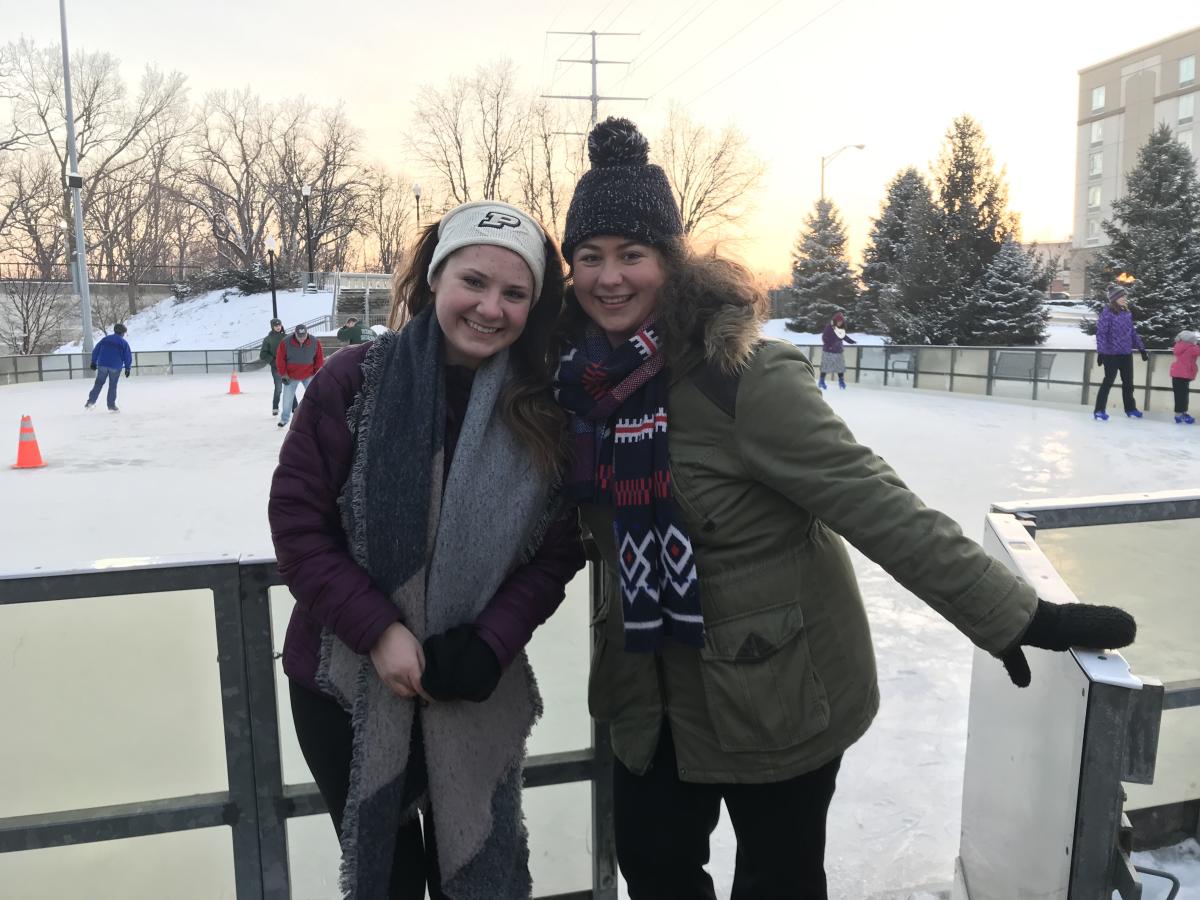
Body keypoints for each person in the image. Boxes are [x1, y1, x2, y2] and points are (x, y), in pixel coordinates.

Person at [553, 117, 1137, 900]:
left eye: (633, 255)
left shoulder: (742, 377)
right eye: (590, 257)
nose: (610, 277)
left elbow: (875, 503)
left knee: (780, 882)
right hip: (647, 698)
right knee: (654, 867)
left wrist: (1016, 614)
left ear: (673, 261)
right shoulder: (575, 388)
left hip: (776, 692)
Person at [268, 199, 585, 900]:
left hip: (468, 682)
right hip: (344, 687)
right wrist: (378, 631)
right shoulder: (352, 381)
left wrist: (488, 644)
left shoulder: (542, 410)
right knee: (394, 878)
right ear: (436, 279)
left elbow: (556, 552)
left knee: (468, 869)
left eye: (514, 293)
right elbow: (298, 524)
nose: (490, 307)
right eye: (473, 281)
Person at [1093, 283, 1148, 421]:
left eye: (1125, 296)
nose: (1124, 298)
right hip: (1111, 354)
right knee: (1108, 381)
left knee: (1128, 383)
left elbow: (1132, 333)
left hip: (1125, 353)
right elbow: (1101, 334)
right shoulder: (1107, 313)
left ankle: (1130, 409)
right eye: (1122, 296)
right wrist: (1101, 352)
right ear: (1114, 298)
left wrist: (1141, 348)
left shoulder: (1127, 313)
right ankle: (1099, 410)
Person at [275, 323, 324, 428]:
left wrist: (317, 373)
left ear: (307, 333)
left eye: (304, 336)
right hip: (291, 376)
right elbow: (280, 359)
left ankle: (315, 416)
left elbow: (319, 358)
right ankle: (284, 419)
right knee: (287, 398)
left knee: (314, 396)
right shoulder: (285, 342)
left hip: (309, 374)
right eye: (299, 337)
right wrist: (284, 374)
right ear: (295, 334)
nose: (302, 339)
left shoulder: (315, 342)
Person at [85, 322, 132, 412]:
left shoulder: (105, 339)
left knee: (98, 384)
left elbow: (96, 350)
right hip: (115, 366)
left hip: (102, 364)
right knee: (112, 386)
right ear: (122, 333)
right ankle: (111, 405)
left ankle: (90, 402)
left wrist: (93, 362)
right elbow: (127, 356)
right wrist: (127, 368)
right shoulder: (123, 343)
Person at [258, 318, 294, 418]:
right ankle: (275, 407)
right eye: (276, 326)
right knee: (278, 388)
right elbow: (263, 354)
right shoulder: (268, 339)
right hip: (276, 368)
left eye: (279, 325)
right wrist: (273, 361)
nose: (278, 327)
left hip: (287, 367)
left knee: (290, 386)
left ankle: (295, 407)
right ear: (272, 327)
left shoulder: (287, 337)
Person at [818, 310, 857, 390]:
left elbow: (844, 337)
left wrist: (851, 341)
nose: (840, 323)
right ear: (835, 321)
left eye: (841, 322)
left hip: (838, 350)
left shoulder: (841, 329)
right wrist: (829, 346)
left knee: (840, 366)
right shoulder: (829, 327)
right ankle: (821, 381)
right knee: (826, 366)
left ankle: (841, 381)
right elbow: (824, 337)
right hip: (828, 350)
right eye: (839, 321)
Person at [1170, 329, 1199, 424]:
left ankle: (1180, 414)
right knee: (1183, 396)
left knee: (1179, 396)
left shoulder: (1178, 346)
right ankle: (1180, 415)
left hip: (1176, 374)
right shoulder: (1191, 348)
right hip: (1184, 374)